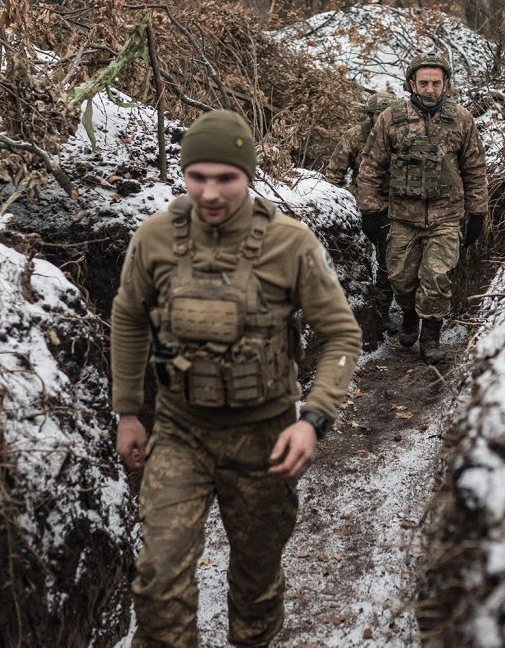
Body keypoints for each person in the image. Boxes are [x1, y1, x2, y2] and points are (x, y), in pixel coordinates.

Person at [111, 110, 362, 648]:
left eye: (225, 177)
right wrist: (128, 411)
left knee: (255, 579)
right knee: (157, 578)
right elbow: (129, 316)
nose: (210, 191)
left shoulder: (291, 244)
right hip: (180, 431)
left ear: (247, 176)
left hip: (264, 435)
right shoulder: (154, 238)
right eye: (197, 176)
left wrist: (313, 421)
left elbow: (341, 335)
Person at [355, 51, 488, 364]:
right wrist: (370, 210)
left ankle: (431, 338)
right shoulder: (391, 119)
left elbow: (475, 168)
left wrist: (477, 213)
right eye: (424, 83)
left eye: (436, 83)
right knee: (401, 278)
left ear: (445, 85)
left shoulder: (461, 119)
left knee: (437, 277)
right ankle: (410, 314)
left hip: (446, 216)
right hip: (402, 217)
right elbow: (371, 165)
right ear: (412, 84)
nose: (430, 89)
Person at [324, 90, 397, 321]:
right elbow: (335, 173)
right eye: (378, 114)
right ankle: (366, 306)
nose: (382, 118)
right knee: (361, 258)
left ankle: (383, 310)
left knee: (388, 260)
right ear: (370, 115)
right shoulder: (354, 136)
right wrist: (337, 204)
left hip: (393, 207)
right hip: (362, 205)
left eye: (387, 114)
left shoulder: (400, 135)